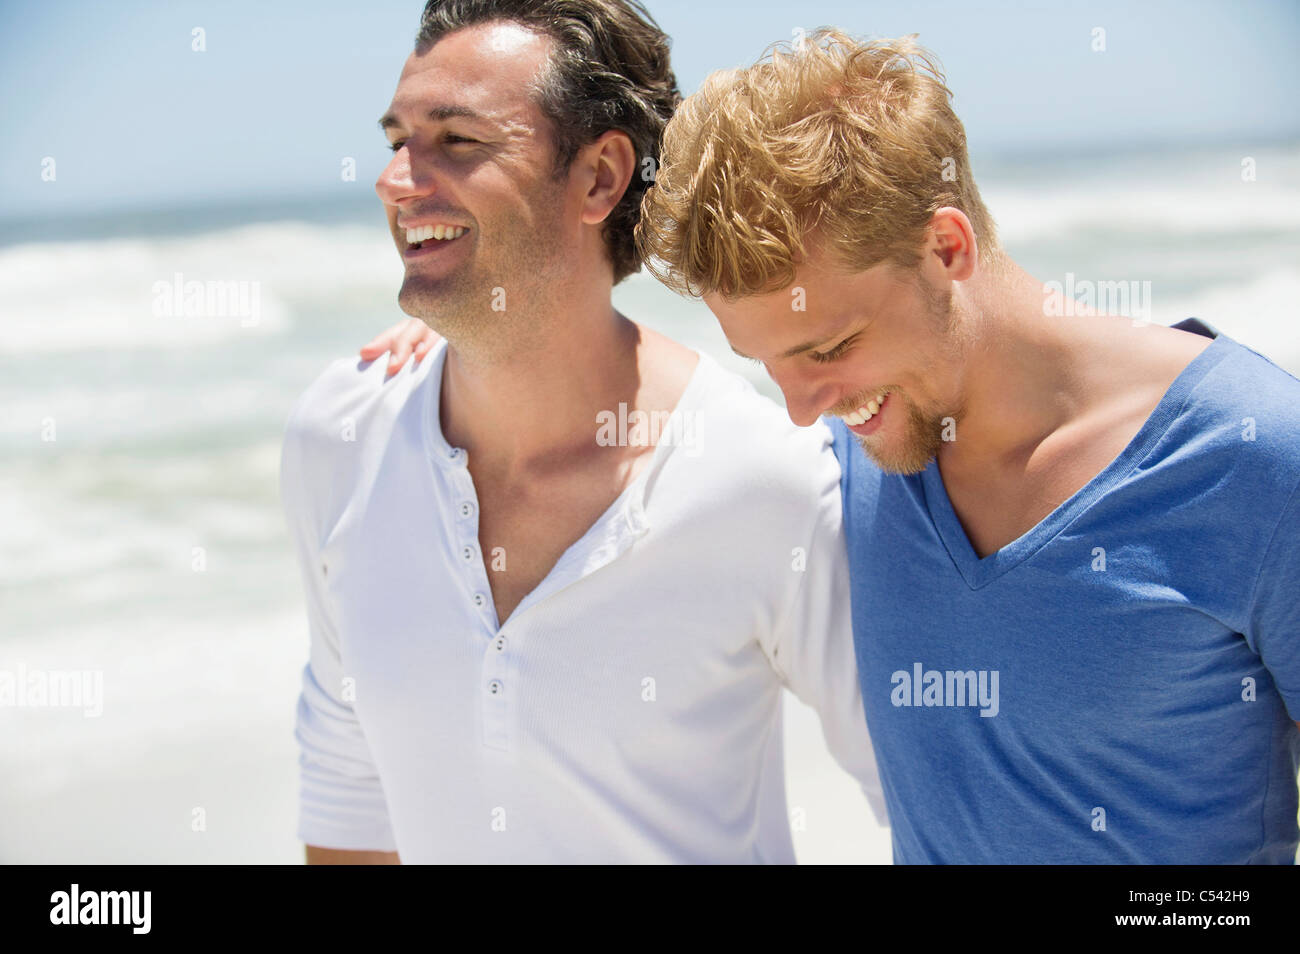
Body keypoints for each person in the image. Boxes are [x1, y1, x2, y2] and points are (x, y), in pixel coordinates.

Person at [376, 27, 1300, 863]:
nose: (802, 411)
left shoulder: (1255, 457)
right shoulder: (863, 447)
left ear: (946, 247)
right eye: (768, 362)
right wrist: (470, 333)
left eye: (827, 349)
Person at [281, 1, 884, 864]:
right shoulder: (339, 436)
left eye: (456, 140)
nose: (395, 180)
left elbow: (917, 796)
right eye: (397, 141)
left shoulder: (765, 478)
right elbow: (349, 792)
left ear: (600, 177)